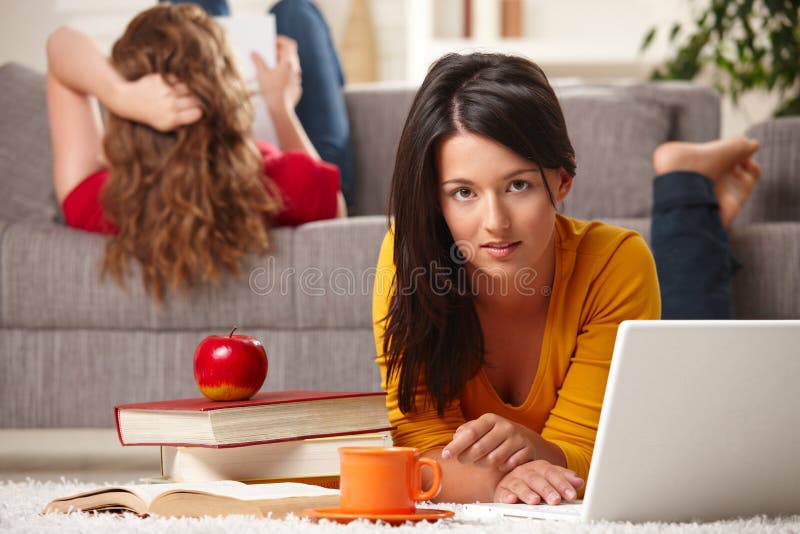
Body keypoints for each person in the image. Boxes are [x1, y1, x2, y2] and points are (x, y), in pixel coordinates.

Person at [371, 52, 761, 505]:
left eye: (519, 185)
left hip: (622, 300)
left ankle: (688, 182)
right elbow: (420, 449)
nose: (495, 222)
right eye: (463, 193)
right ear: (435, 201)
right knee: (690, 300)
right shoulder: (410, 254)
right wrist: (511, 477)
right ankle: (691, 192)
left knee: (698, 368)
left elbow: (594, 454)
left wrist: (527, 459)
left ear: (563, 178)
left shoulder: (618, 261)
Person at [46, 4, 346, 301]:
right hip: (247, 167)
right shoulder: (283, 185)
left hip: (233, 163)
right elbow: (335, 215)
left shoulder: (101, 204)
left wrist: (120, 94)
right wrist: (280, 108)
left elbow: (59, 44)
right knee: (296, 12)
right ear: (227, 90)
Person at [168, 0, 356, 205]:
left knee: (188, 17)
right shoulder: (271, 182)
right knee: (296, 13)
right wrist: (279, 106)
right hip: (264, 166)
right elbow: (331, 203)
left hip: (209, 160)